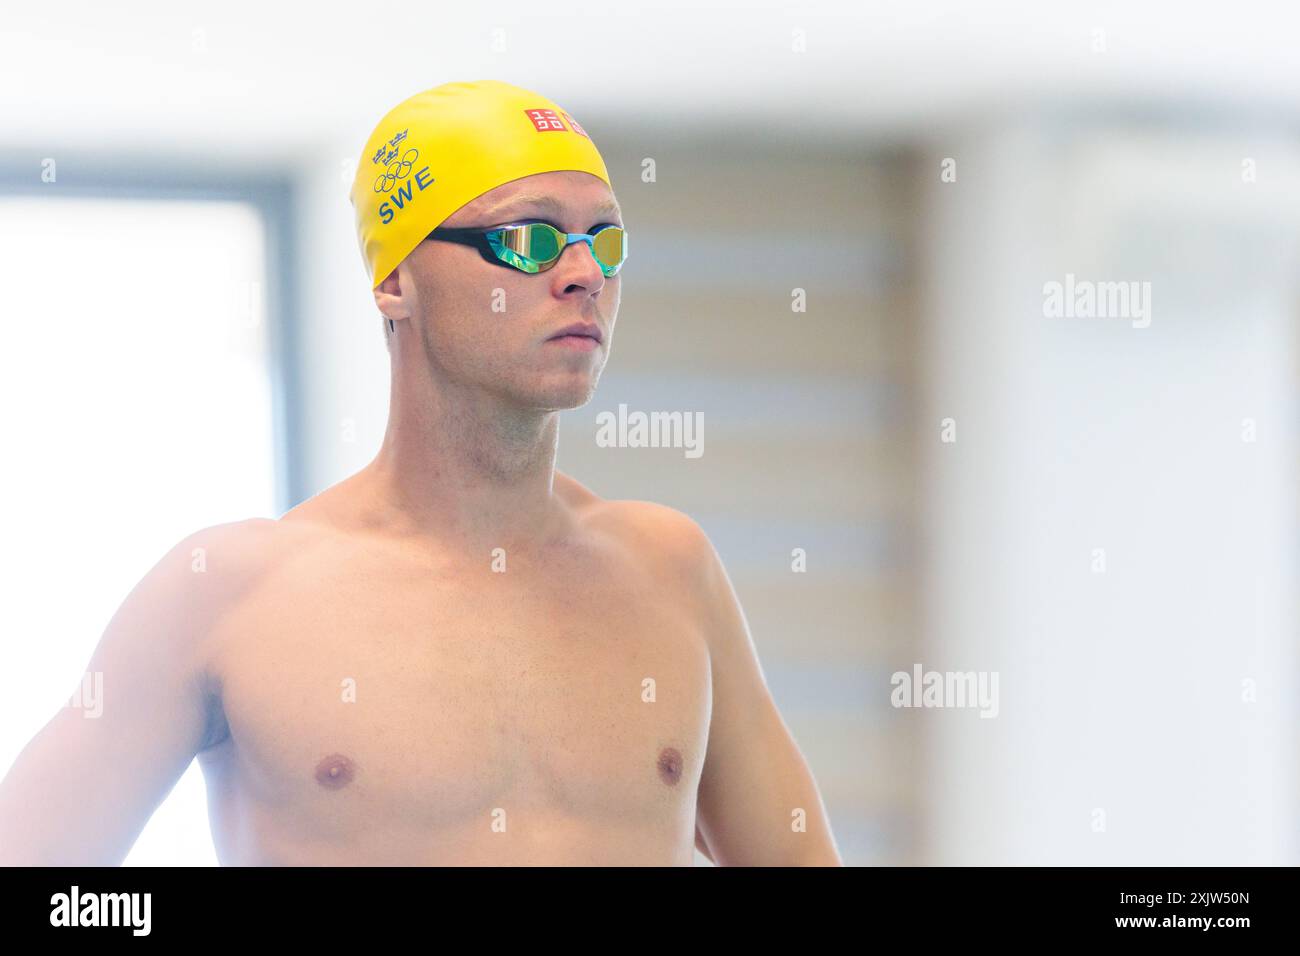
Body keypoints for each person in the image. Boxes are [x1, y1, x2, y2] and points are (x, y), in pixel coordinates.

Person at [0, 80, 842, 866]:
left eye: (605, 241)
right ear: (395, 277)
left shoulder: (668, 571)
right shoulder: (226, 595)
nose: (584, 272)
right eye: (528, 239)